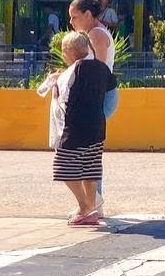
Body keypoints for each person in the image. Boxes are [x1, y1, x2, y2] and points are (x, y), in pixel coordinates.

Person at [40, 31, 113, 226]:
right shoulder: (101, 68)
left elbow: (63, 101)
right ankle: (91, 209)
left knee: (63, 167)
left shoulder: (72, 72)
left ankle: (85, 206)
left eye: (64, 51)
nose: (63, 55)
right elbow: (112, 92)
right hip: (97, 127)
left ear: (70, 52)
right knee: (90, 168)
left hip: (74, 128)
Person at [68, 0, 118, 204]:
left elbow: (98, 69)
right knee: (88, 148)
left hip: (99, 95)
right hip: (98, 93)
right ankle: (93, 201)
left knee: (87, 149)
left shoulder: (96, 35)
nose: (71, 22)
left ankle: (93, 201)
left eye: (75, 17)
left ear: (88, 15)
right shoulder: (92, 33)